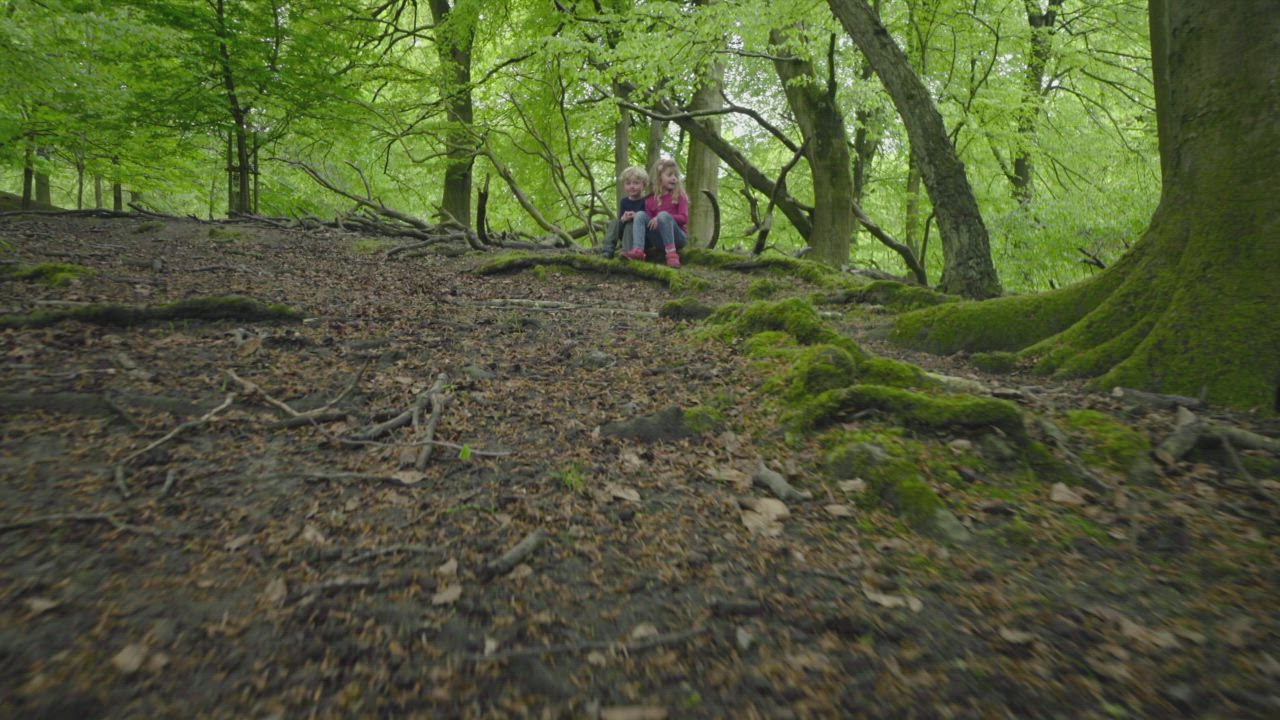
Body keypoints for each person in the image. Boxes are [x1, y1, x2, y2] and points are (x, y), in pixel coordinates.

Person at [622, 157, 687, 268]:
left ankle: (672, 254)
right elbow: (649, 223)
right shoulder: (650, 200)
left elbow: (684, 218)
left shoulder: (679, 195)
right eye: (670, 175)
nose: (674, 179)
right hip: (659, 241)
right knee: (640, 214)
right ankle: (638, 251)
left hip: (678, 238)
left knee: (663, 215)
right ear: (659, 178)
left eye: (676, 176)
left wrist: (662, 218)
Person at [601, 166, 648, 259]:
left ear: (644, 185)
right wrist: (623, 219)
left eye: (636, 183)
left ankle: (628, 253)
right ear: (624, 186)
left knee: (630, 225)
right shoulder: (624, 202)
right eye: (628, 183)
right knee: (615, 222)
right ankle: (607, 251)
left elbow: (648, 221)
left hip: (641, 238)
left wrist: (637, 217)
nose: (632, 186)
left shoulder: (646, 201)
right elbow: (620, 226)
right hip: (625, 234)